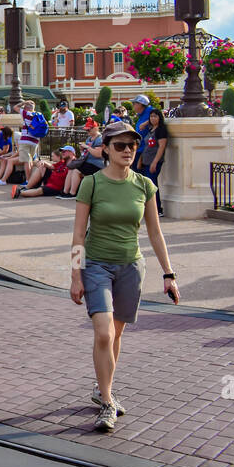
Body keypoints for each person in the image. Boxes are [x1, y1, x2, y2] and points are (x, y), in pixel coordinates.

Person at [70, 122, 178, 432]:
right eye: (120, 145)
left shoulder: (144, 185)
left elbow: (156, 233)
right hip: (96, 266)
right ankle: (107, 402)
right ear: (105, 148)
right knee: (103, 333)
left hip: (131, 266)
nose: (128, 150)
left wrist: (168, 273)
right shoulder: (91, 183)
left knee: (116, 335)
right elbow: (78, 233)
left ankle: (102, 386)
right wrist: (76, 274)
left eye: (132, 144)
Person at [136, 107, 168, 217]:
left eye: (155, 116)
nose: (153, 118)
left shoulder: (161, 130)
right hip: (146, 160)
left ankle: (157, 209)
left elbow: (161, 147)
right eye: (151, 116)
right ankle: (150, 208)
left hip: (154, 161)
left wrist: (155, 162)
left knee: (152, 185)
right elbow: (145, 144)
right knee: (146, 185)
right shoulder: (151, 129)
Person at [12, 146, 77, 199]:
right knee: (42, 166)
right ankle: (27, 187)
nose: (62, 153)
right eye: (62, 151)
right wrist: (43, 162)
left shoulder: (75, 164)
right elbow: (52, 166)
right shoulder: (62, 163)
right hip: (50, 181)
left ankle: (20, 192)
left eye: (64, 151)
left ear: (71, 153)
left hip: (56, 187)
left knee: (39, 191)